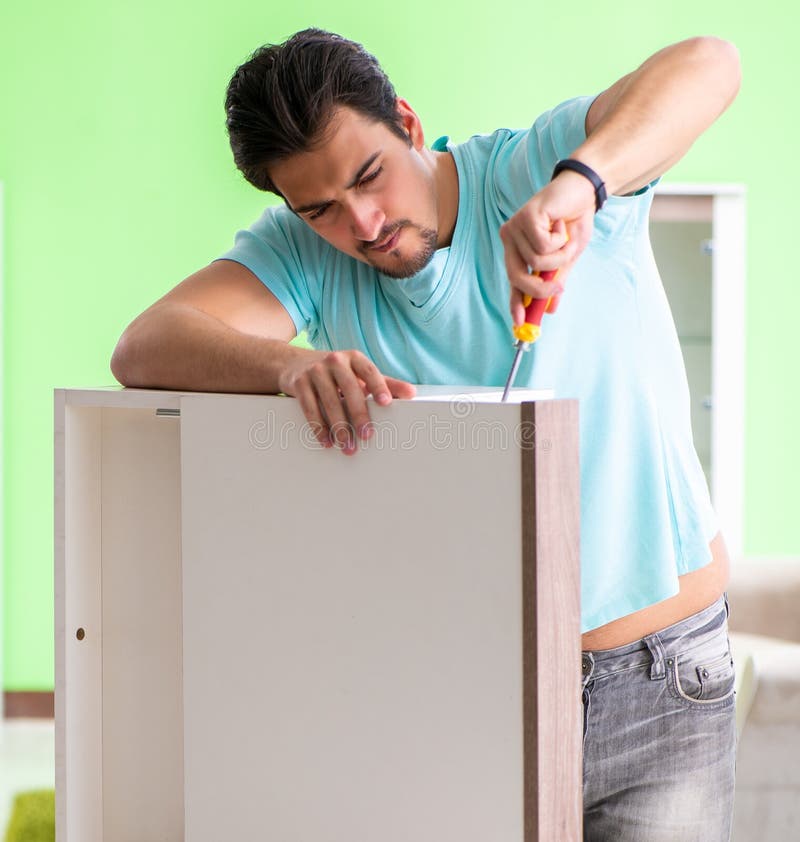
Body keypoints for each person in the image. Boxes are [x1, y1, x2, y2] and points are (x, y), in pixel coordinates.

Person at [111, 28, 742, 840]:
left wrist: (582, 183)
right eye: (319, 209)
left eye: (368, 176)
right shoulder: (303, 255)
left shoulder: (528, 168)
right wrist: (285, 366)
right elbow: (144, 346)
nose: (363, 223)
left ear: (407, 123)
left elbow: (711, 64)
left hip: (664, 677)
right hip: (465, 692)